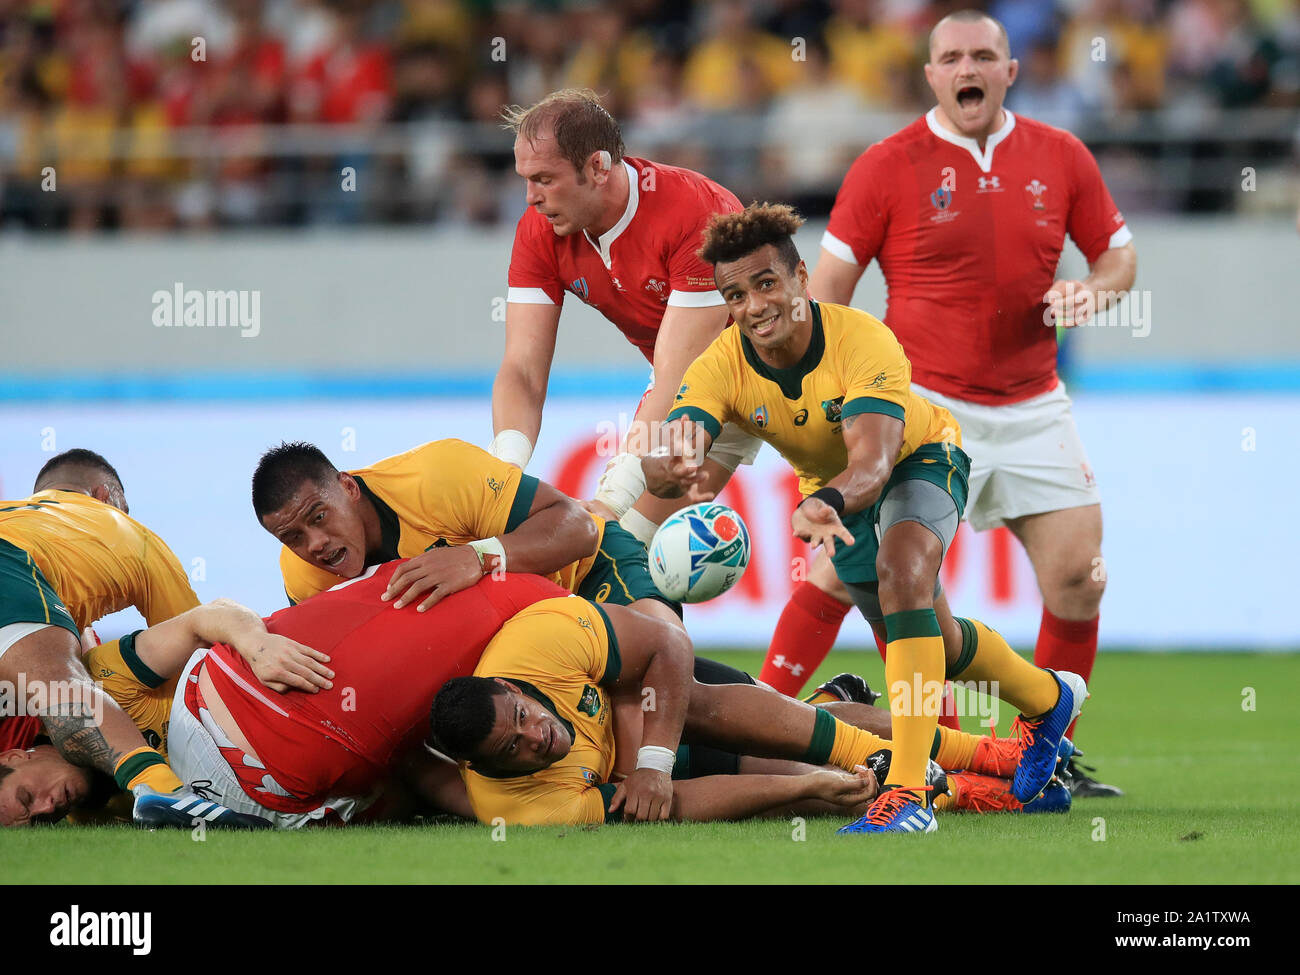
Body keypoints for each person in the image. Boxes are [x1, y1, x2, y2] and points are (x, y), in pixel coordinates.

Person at [775, 8, 1135, 797]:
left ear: (1010, 70)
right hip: (925, 404)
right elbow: (829, 297)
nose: (967, 67)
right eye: (951, 57)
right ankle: (767, 721)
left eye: (983, 54)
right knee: (849, 574)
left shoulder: (1062, 156)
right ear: (931, 74)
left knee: (1081, 578)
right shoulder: (886, 165)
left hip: (1035, 402)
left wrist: (1094, 289)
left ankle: (1040, 755)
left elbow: (1120, 257)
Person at [642, 203, 1086, 834]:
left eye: (767, 284)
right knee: (942, 642)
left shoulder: (861, 340)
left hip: (920, 458)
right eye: (734, 294)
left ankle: (908, 795)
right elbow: (680, 446)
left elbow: (874, 466)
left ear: (800, 278)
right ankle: (1049, 699)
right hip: (831, 493)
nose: (754, 307)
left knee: (901, 567)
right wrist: (667, 464)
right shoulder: (721, 364)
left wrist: (825, 503)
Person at [431, 594, 1065, 826]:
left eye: (523, 716)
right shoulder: (519, 809)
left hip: (664, 683)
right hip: (665, 774)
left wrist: (649, 756)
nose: (536, 736)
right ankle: (1003, 794)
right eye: (513, 749)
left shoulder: (538, 641)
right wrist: (810, 784)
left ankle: (999, 753)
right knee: (829, 790)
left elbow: (666, 639)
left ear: (514, 688)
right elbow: (672, 804)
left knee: (715, 709)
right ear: (483, 767)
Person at [490, 87, 756, 548]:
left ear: (597, 167)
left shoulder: (695, 213)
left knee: (871, 559)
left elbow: (676, 380)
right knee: (630, 554)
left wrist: (610, 500)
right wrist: (502, 479)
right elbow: (522, 372)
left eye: (544, 179)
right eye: (524, 179)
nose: (530, 198)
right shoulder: (540, 228)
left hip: (791, 378)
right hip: (710, 387)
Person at [0, 448, 270, 828]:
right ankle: (158, 787)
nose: (46, 809)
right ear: (106, 496)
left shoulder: (19, 516)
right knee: (56, 686)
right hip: (7, 562)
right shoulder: (134, 536)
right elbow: (199, 656)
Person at [253, 438, 678, 625]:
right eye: (292, 538)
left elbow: (579, 528)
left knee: (655, 676)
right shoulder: (304, 578)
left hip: (590, 569)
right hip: (534, 630)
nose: (315, 545)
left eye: (319, 516)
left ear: (348, 487)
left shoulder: (437, 476)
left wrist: (476, 557)